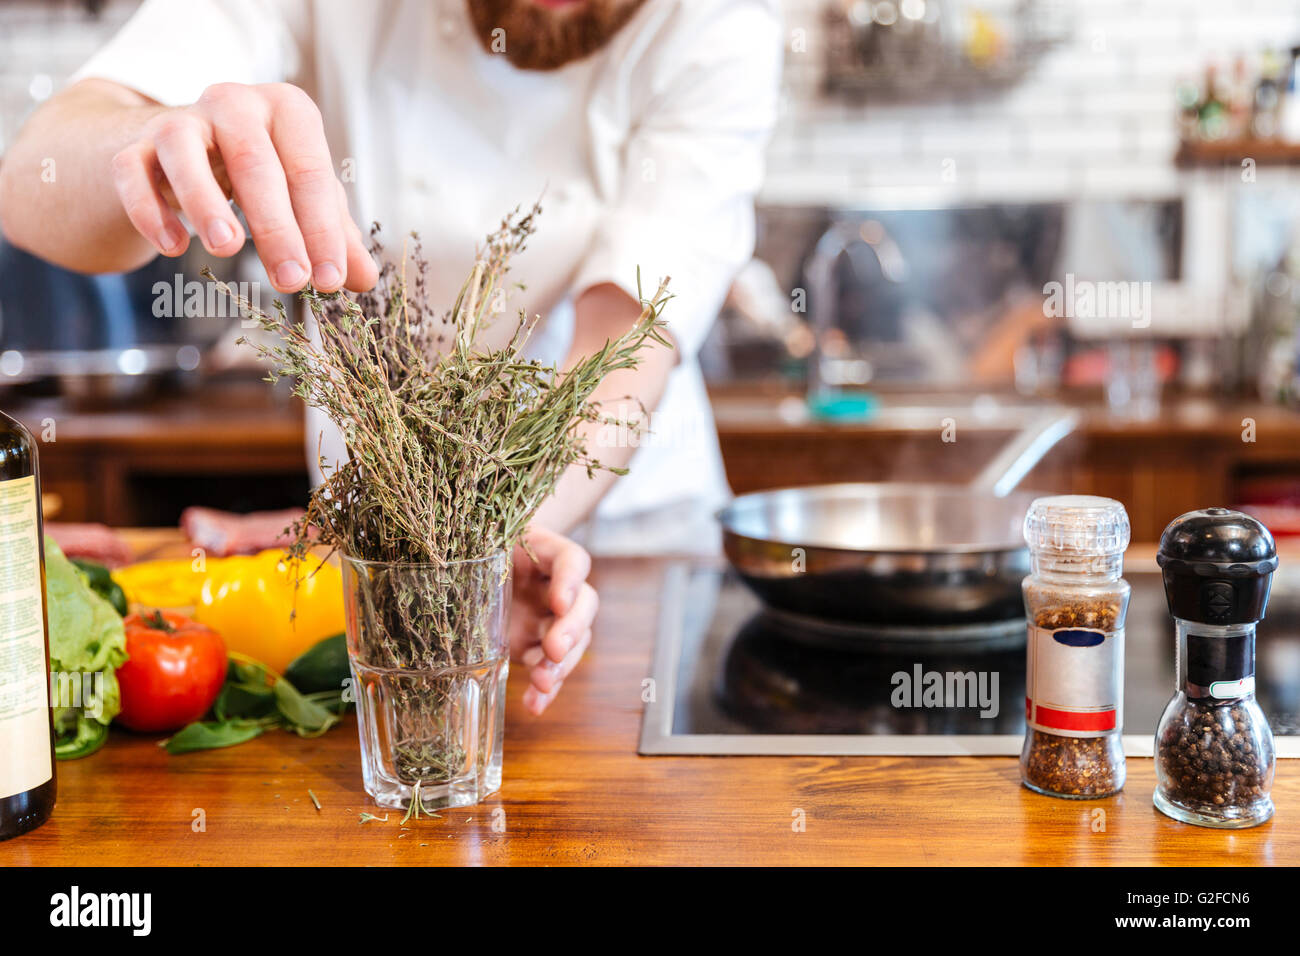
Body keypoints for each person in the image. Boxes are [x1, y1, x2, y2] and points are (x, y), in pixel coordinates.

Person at [0, 0, 782, 713]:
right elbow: (32, 184)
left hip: (635, 554)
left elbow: (622, 343)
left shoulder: (722, 21)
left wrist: (470, 542)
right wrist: (143, 143)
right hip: (390, 559)